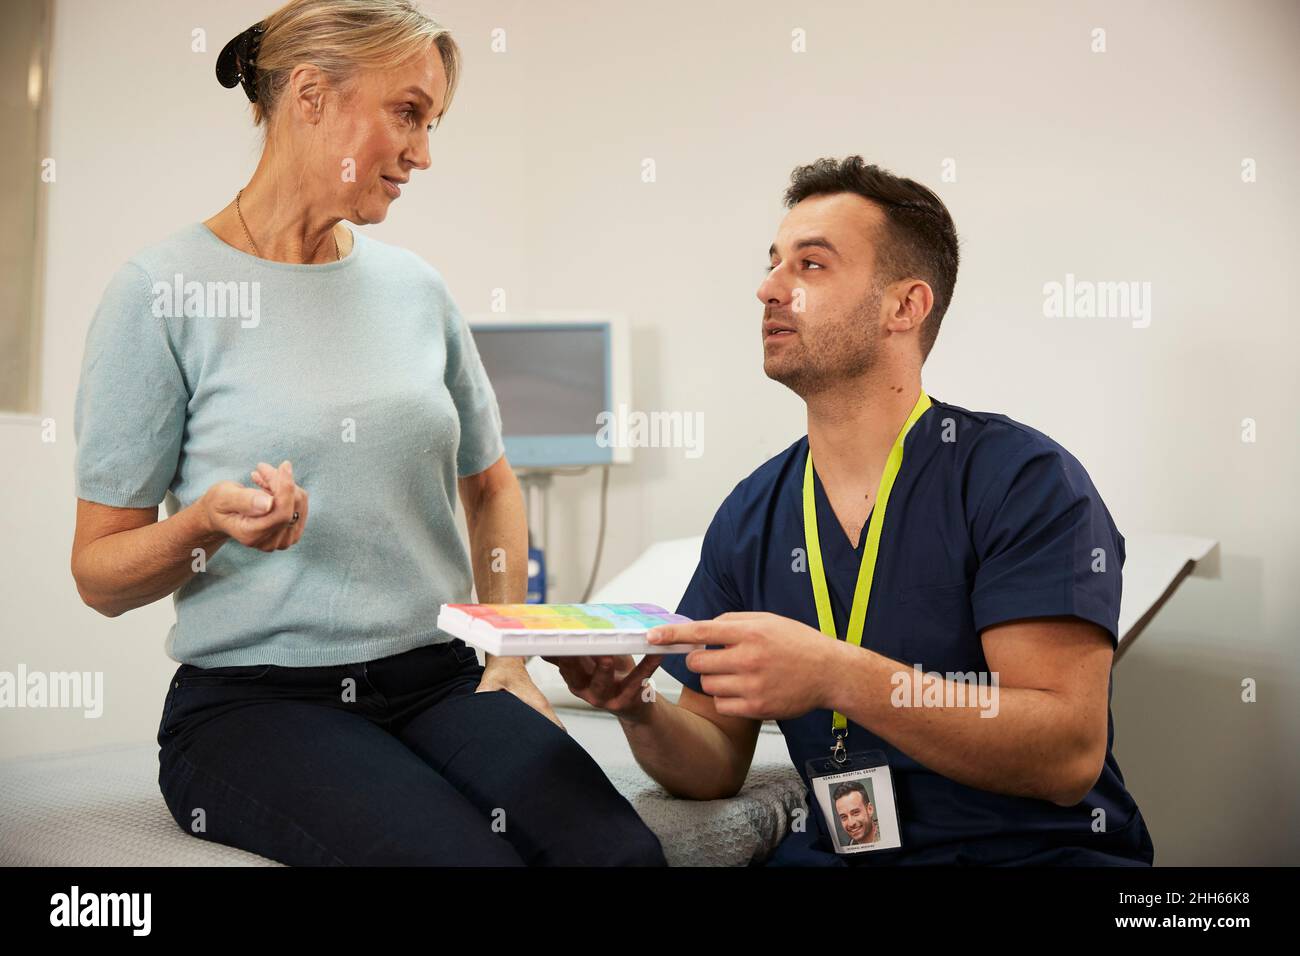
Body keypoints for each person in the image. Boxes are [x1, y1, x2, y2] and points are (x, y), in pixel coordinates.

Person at [69, 0, 664, 867]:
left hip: (440, 677)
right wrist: (204, 526)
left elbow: (492, 483)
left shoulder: (414, 289)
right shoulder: (161, 293)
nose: (424, 153)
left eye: (432, 122)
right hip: (254, 705)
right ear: (311, 95)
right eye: (409, 114)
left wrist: (508, 655)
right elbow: (98, 575)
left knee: (623, 859)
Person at [551, 156, 1154, 866]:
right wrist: (635, 707)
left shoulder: (1020, 481)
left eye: (810, 265)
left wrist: (838, 676)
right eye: (773, 262)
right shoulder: (754, 514)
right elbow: (713, 760)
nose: (768, 288)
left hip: (1026, 856)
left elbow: (1066, 753)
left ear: (905, 307)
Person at [832, 782, 879, 846]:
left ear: (869, 809)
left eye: (855, 813)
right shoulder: (849, 846)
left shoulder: (890, 834)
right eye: (844, 817)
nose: (851, 823)